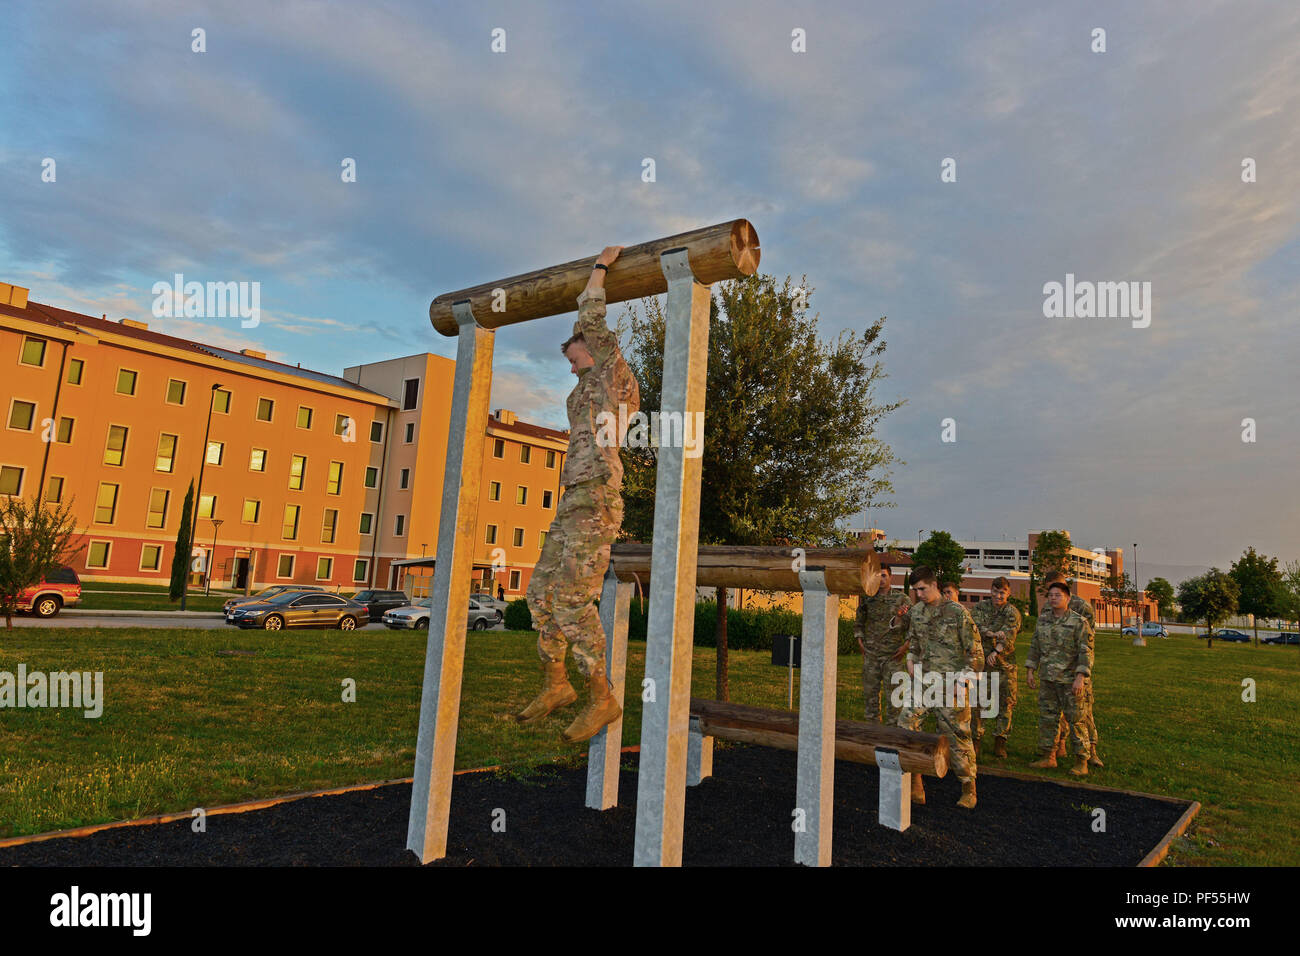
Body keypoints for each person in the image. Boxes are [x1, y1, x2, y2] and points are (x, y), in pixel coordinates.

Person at [518, 246, 641, 743]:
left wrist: (600, 268)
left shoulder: (611, 374)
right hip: (572, 500)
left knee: (571, 601)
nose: (571, 369)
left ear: (592, 348)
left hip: (597, 501)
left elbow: (591, 313)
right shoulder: (590, 382)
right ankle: (556, 683)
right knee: (539, 595)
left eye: (573, 358)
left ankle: (601, 696)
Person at [897, 566, 980, 808]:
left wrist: (963, 680)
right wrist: (911, 659)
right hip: (924, 684)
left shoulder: (958, 613)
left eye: (922, 589)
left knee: (959, 738)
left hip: (952, 685)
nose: (918, 594)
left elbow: (976, 654)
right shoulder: (917, 612)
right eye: (915, 590)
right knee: (906, 725)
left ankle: (968, 787)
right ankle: (916, 782)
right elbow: (914, 643)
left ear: (934, 585)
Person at [1025, 582, 1094, 775]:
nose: (1054, 598)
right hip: (1048, 679)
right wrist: (1030, 669)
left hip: (1070, 680)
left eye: (1058, 595)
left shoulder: (1078, 622)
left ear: (1067, 598)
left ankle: (1082, 760)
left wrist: (1080, 677)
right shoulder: (1043, 620)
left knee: (1077, 720)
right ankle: (1049, 756)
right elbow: (1035, 646)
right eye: (1051, 595)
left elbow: (1086, 651)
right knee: (1048, 718)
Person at [1042, 570, 1102, 767]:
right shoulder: (1046, 608)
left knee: (1082, 712)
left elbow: (1087, 642)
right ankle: (1059, 745)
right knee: (1055, 712)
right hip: (1054, 670)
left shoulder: (1082, 607)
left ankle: (1091, 751)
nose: (1052, 594)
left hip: (1076, 669)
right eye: (1050, 590)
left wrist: (1081, 673)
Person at [969, 577, 1022, 760]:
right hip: (981, 664)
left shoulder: (1012, 612)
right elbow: (973, 626)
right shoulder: (980, 608)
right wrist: (991, 633)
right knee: (978, 702)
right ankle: (976, 739)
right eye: (995, 591)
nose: (998, 595)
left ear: (1008, 593)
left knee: (1006, 703)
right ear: (990, 590)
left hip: (1004, 665)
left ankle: (1001, 740)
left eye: (1002, 592)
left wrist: (996, 651)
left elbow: (1009, 634)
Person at [855, 564, 911, 727]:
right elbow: (859, 622)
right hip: (871, 656)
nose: (881, 579)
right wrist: (859, 640)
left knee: (894, 699)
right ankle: (874, 733)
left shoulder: (902, 599)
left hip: (893, 656)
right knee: (870, 697)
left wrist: (905, 646)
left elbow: (912, 626)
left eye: (884, 575)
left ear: (891, 577)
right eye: (878, 576)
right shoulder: (867, 599)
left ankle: (893, 734)